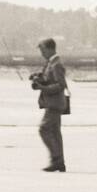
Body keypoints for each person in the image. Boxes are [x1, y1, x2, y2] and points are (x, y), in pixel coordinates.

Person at [31, 37, 69, 172]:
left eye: (42, 50)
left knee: (44, 129)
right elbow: (50, 79)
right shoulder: (50, 63)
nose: (41, 53)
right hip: (54, 103)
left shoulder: (56, 64)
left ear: (50, 49)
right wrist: (39, 77)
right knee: (55, 133)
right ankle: (60, 162)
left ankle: (56, 159)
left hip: (54, 104)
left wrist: (42, 87)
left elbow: (60, 85)